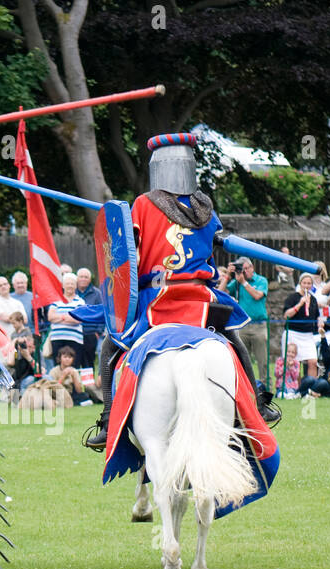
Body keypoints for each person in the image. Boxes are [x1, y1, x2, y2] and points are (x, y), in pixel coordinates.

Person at [84, 132, 279, 450]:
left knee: (110, 346)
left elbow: (125, 254)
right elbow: (213, 247)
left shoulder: (144, 204)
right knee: (232, 340)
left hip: (157, 300)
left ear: (156, 167)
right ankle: (257, 403)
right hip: (202, 300)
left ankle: (108, 422)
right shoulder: (205, 207)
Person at [226, 255, 269, 383]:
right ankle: (244, 388)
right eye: (241, 269)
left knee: (263, 360)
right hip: (242, 326)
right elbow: (222, 292)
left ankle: (265, 388)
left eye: (246, 268)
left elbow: (257, 296)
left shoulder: (261, 280)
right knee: (241, 359)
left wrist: (244, 282)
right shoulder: (237, 282)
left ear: (252, 267)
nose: (244, 272)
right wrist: (228, 275)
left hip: (258, 326)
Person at [46, 270, 87, 369]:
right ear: (63, 285)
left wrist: (60, 316)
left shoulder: (80, 302)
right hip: (57, 338)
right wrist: (69, 316)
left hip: (74, 339)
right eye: (67, 283)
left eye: (72, 283)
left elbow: (79, 319)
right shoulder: (56, 300)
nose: (70, 286)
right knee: (58, 366)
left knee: (74, 366)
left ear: (76, 286)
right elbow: (50, 317)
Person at [283, 274, 321, 380]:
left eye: (309, 283)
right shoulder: (292, 297)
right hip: (293, 333)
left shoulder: (313, 299)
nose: (306, 285)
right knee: (296, 362)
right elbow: (286, 315)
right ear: (300, 284)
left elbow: (317, 316)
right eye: (304, 283)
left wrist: (320, 322)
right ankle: (297, 388)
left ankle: (310, 387)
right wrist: (300, 304)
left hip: (308, 335)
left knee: (313, 361)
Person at [76, 266, 104, 368]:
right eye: (81, 277)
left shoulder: (97, 294)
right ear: (77, 279)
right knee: (75, 360)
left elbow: (102, 313)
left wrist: (98, 331)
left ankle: (88, 383)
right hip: (75, 332)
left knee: (88, 362)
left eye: (86, 277)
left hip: (91, 333)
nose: (83, 279)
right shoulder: (72, 292)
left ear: (90, 279)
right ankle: (74, 382)